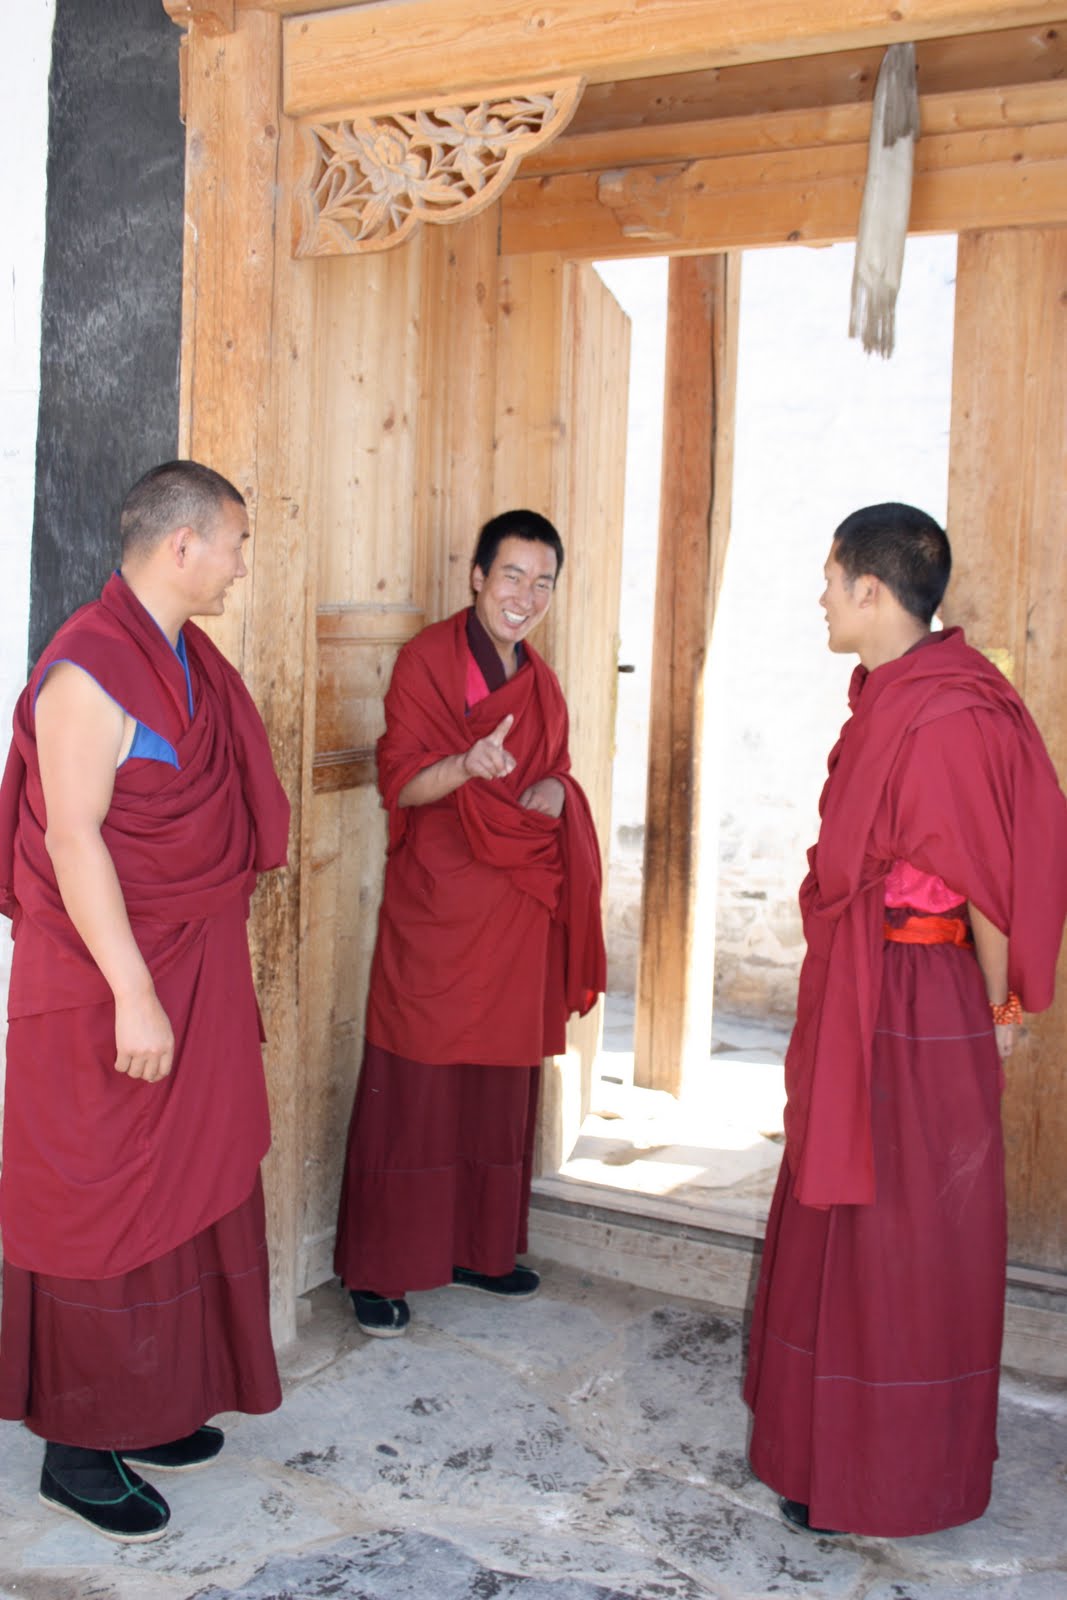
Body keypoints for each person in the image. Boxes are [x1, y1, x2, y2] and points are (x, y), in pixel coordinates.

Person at [744, 503, 1067, 1538]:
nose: (821, 598)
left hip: (924, 997)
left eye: (829, 580)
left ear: (871, 592)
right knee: (836, 1216)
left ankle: (886, 1472)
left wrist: (999, 1006)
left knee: (903, 1234)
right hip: (861, 985)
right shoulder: (893, 695)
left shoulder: (953, 712)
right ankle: (815, 1451)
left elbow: (985, 885)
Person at [0, 461, 290, 1542]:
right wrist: (132, 993)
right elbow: (72, 837)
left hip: (189, 966)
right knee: (101, 1201)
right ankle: (78, 1447)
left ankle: (151, 1402)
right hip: (104, 984)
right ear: (182, 547)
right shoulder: (86, 668)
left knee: (192, 1180)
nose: (241, 563)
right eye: (236, 542)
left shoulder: (186, 661)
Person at [335, 509, 605, 1337]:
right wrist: (465, 764)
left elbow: (553, 768)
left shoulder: (542, 682)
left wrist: (558, 792)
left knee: (496, 1085)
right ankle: (378, 1268)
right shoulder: (427, 661)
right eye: (512, 576)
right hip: (441, 907)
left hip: (514, 908)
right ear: (477, 578)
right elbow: (399, 782)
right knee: (416, 1082)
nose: (525, 596)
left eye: (542, 581)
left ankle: (476, 1247)